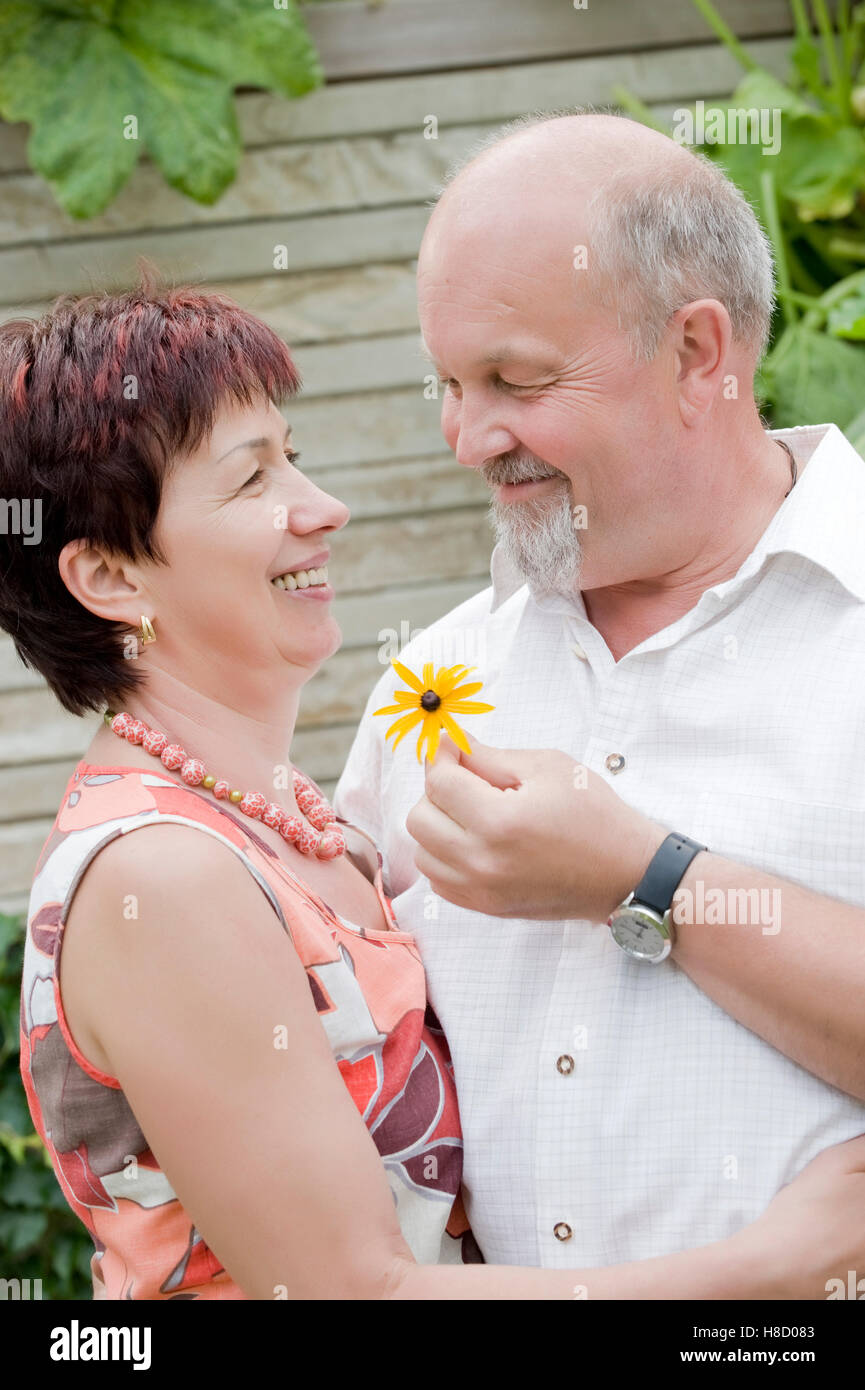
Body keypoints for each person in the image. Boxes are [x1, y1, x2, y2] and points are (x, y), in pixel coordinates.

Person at [4, 282, 865, 1301]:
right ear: (111, 579)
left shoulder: (301, 821)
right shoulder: (161, 877)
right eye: (250, 481)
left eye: (295, 454)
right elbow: (360, 1293)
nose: (324, 506)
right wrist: (778, 1266)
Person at [333, 111, 865, 1270]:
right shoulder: (430, 687)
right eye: (448, 384)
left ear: (696, 353)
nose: (468, 437)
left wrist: (646, 878)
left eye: (514, 380)